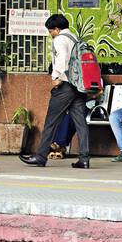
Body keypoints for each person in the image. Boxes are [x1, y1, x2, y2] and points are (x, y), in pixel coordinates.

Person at [22, 13, 91, 169]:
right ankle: (84, 158)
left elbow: (63, 56)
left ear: (57, 29)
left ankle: (40, 156)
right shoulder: (76, 38)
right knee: (80, 123)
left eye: (50, 31)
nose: (50, 34)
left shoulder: (60, 39)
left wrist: (55, 75)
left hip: (65, 86)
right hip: (78, 86)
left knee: (51, 122)